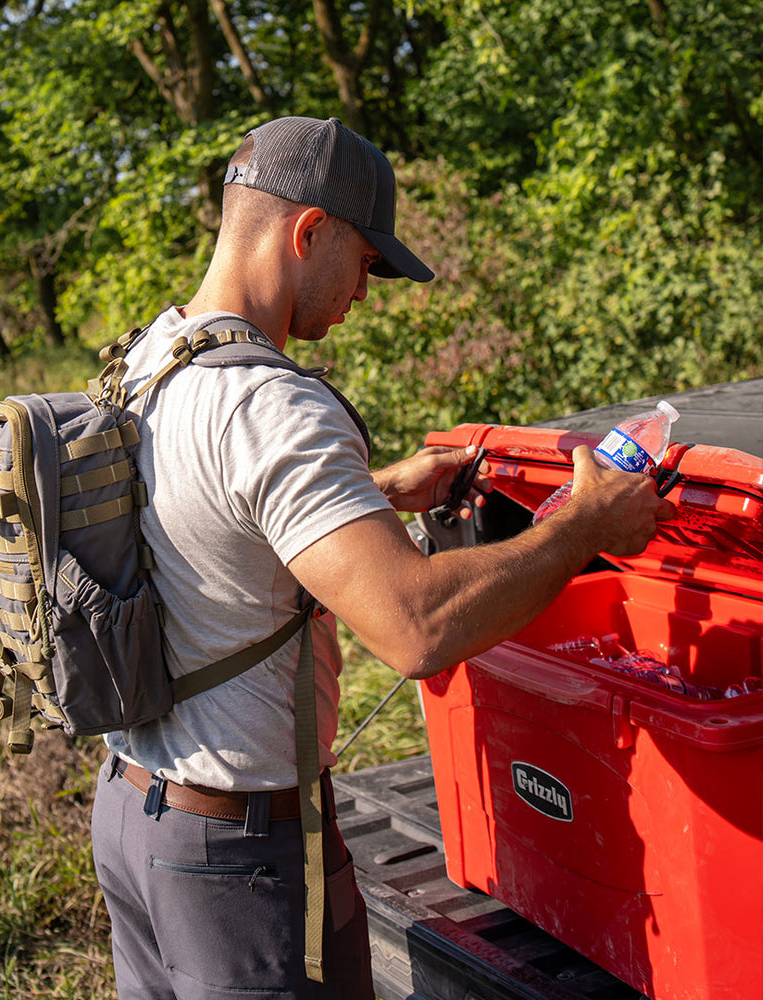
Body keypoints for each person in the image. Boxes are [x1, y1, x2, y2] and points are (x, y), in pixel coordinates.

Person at [89, 115, 674, 1000]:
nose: (366, 291)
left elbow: (207, 509)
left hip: (132, 816)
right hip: (238, 859)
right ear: (308, 231)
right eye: (366, 260)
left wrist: (375, 490)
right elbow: (417, 627)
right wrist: (582, 526)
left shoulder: (150, 356)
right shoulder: (274, 406)